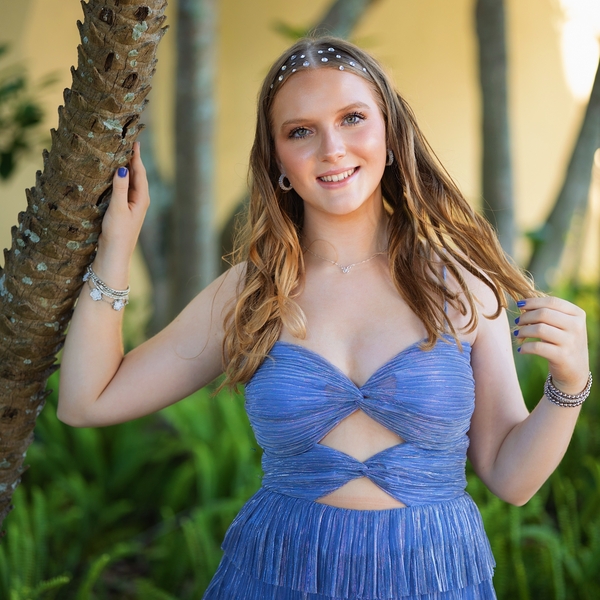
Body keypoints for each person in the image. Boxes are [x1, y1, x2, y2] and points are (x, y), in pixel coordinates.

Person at [57, 36, 591, 599]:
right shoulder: (253, 292)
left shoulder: (461, 285)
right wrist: (116, 246)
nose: (332, 149)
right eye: (300, 131)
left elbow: (511, 479)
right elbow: (88, 401)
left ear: (390, 135)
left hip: (431, 576)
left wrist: (570, 384)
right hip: (276, 576)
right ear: (278, 161)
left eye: (352, 118)